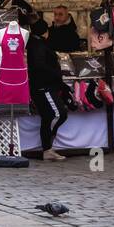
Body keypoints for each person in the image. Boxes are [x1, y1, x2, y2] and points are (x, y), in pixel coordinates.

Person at [27, 18, 68, 161]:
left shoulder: (36, 44)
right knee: (58, 114)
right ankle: (48, 145)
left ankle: (47, 149)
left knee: (48, 117)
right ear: (45, 32)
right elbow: (40, 65)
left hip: (43, 86)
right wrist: (56, 74)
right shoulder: (38, 45)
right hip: (44, 86)